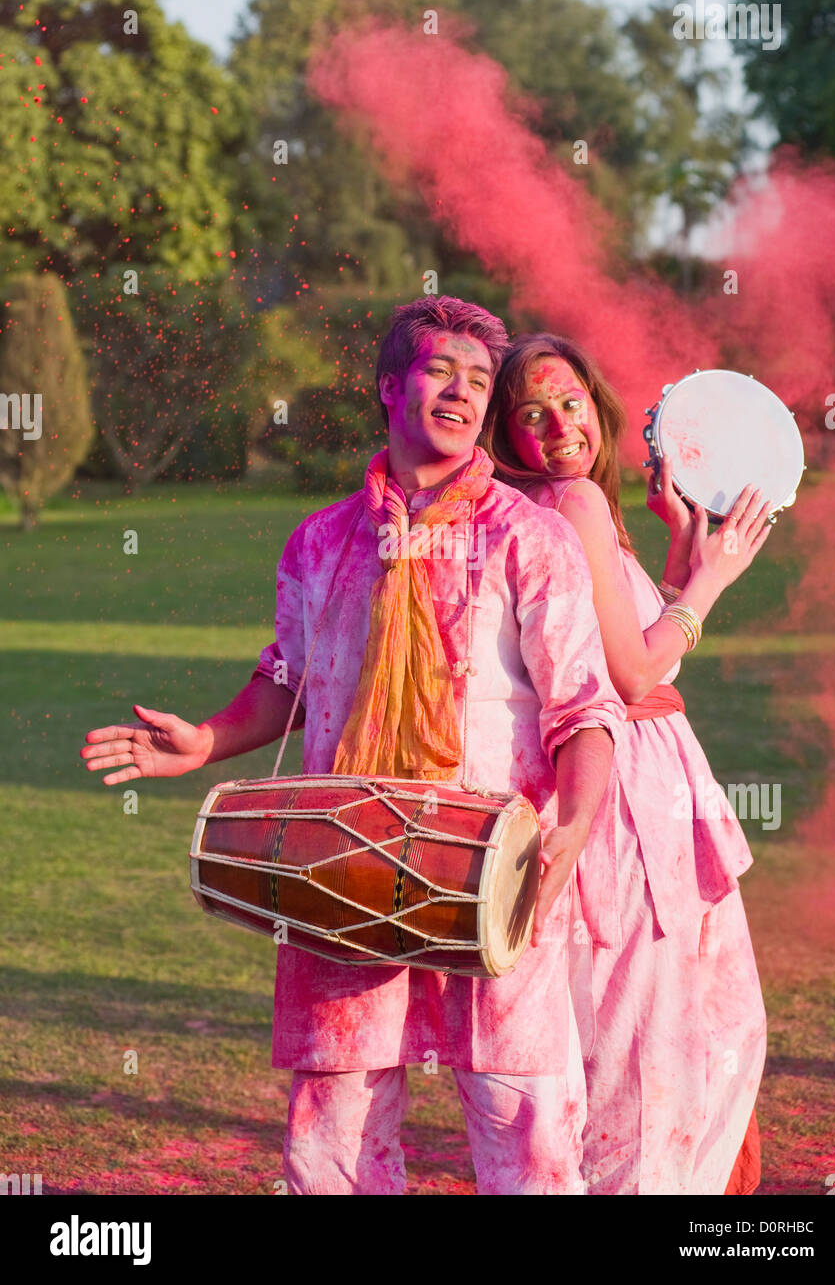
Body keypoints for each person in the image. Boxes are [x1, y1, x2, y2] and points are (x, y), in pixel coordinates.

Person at [81, 296, 625, 1196]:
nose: (462, 392)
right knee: (332, 1129)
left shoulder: (531, 539)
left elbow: (584, 710)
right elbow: (289, 683)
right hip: (346, 862)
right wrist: (205, 742)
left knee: (528, 1125)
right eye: (441, 371)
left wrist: (570, 824)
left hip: (498, 868)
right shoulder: (321, 541)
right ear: (389, 386)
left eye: (480, 382)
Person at [482, 332, 770, 1195]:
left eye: (569, 403)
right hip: (634, 808)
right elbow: (637, 671)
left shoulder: (565, 507)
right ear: (507, 434)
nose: (557, 425)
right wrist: (713, 582)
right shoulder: (567, 504)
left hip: (635, 789)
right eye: (530, 414)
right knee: (665, 1041)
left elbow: (636, 647)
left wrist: (679, 548)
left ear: (598, 408)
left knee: (640, 1027)